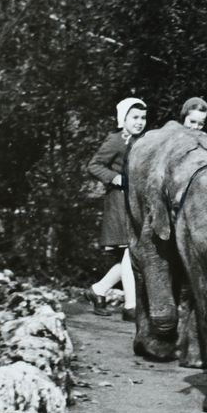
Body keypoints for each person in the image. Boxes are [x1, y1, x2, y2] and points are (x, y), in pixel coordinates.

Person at [86, 97, 148, 321]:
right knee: (130, 252)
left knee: (130, 253)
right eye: (135, 117)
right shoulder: (116, 139)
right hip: (119, 201)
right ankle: (131, 306)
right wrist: (115, 178)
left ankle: (99, 290)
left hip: (135, 202)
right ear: (124, 119)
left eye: (143, 118)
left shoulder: (143, 139)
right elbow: (94, 165)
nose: (139, 122)